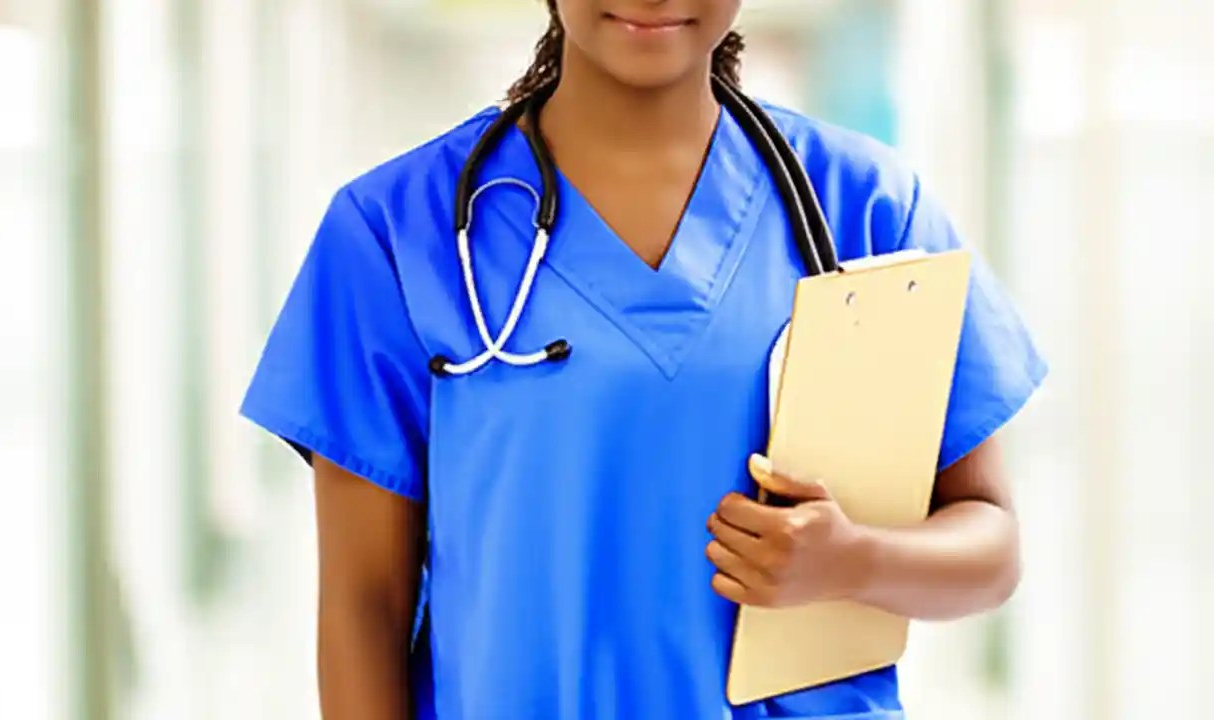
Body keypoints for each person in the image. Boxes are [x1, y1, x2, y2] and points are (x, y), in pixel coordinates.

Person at [239, 1, 1048, 718]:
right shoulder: (391, 231)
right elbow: (361, 606)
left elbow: (991, 549)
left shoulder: (866, 207)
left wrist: (855, 560)